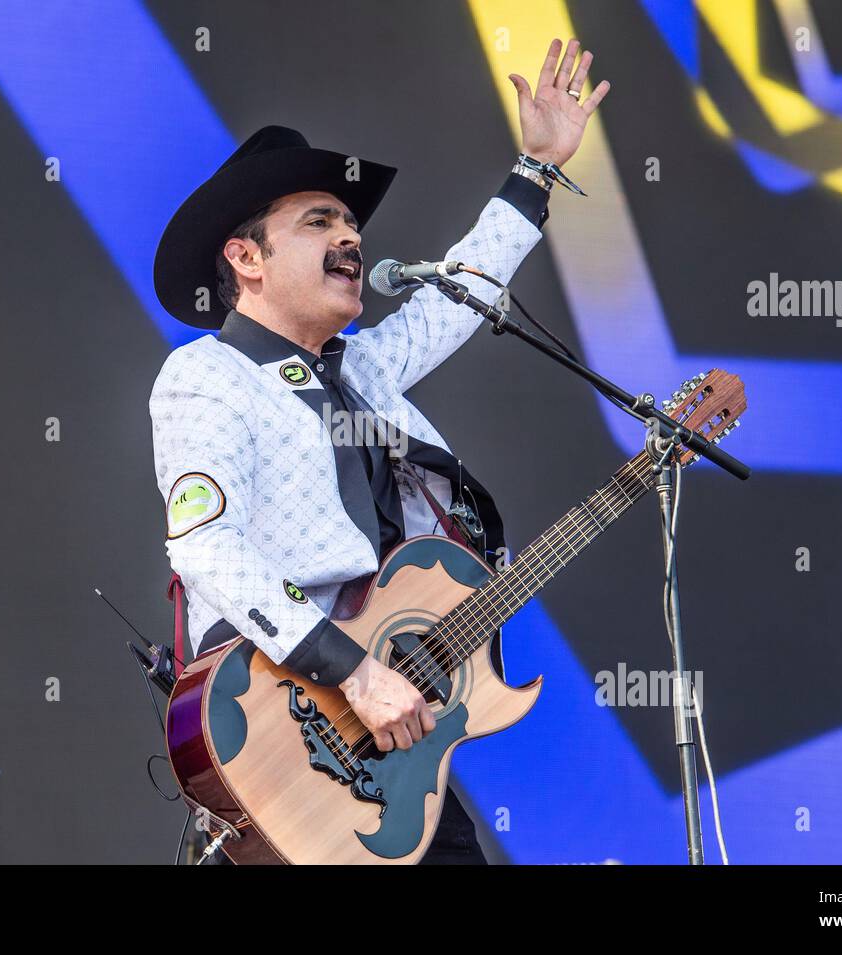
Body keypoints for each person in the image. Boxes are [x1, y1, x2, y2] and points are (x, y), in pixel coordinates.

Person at [150, 38, 609, 862]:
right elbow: (202, 542)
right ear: (245, 257)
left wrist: (535, 170)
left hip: (389, 748)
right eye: (320, 221)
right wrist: (349, 667)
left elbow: (459, 297)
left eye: (353, 223)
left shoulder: (360, 368)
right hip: (293, 731)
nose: (352, 238)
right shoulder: (206, 375)